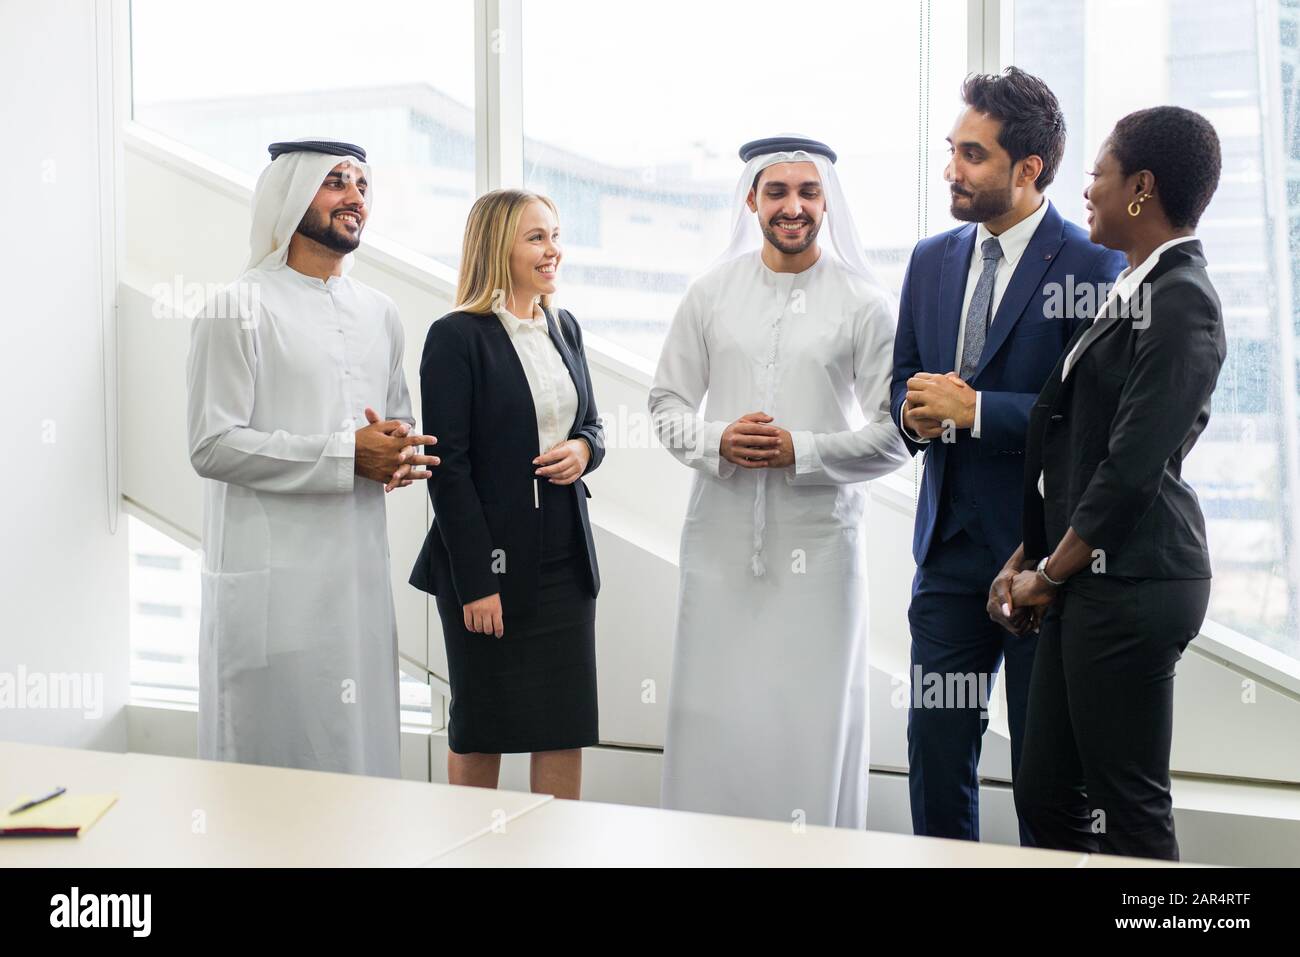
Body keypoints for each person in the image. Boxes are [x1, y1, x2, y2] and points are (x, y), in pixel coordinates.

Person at [891, 69, 1126, 843]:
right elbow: (903, 382)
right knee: (935, 751)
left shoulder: (1093, 266)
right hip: (950, 559)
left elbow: (1094, 423)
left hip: (1043, 563)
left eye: (973, 154)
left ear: (1028, 168)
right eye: (952, 150)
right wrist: (914, 413)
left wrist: (979, 409)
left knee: (1044, 774)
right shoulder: (929, 259)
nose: (952, 169)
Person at [649, 135, 909, 829]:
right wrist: (718, 440)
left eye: (808, 192)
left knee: (809, 721)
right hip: (719, 544)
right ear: (751, 201)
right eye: (777, 193)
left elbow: (896, 434)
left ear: (826, 202)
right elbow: (666, 405)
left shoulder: (863, 302)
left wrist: (802, 450)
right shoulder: (710, 294)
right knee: (716, 718)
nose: (793, 207)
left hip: (821, 552)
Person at [990, 106, 1225, 860]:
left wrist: (1050, 573)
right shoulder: (1137, 286)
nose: (1084, 189)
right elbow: (1078, 446)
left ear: (1141, 188)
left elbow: (1129, 469)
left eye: (1096, 173)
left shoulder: (1183, 298)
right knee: (1050, 793)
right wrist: (1031, 556)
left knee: (1129, 808)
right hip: (1085, 575)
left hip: (1135, 580)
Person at [187, 139, 438, 776]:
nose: (354, 197)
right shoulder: (237, 306)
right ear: (291, 196)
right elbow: (211, 444)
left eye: (360, 184)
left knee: (359, 759)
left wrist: (398, 455)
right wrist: (344, 456)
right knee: (274, 771)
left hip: (356, 586)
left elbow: (393, 421)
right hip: (274, 590)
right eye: (334, 183)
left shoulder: (380, 312)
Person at [409, 189, 604, 800]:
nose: (554, 251)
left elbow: (591, 426)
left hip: (564, 560)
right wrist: (478, 581)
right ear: (500, 248)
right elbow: (450, 468)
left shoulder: (564, 326)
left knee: (562, 725)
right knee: (482, 727)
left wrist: (583, 452)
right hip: (486, 565)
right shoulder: (456, 337)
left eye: (555, 234)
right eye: (537, 237)